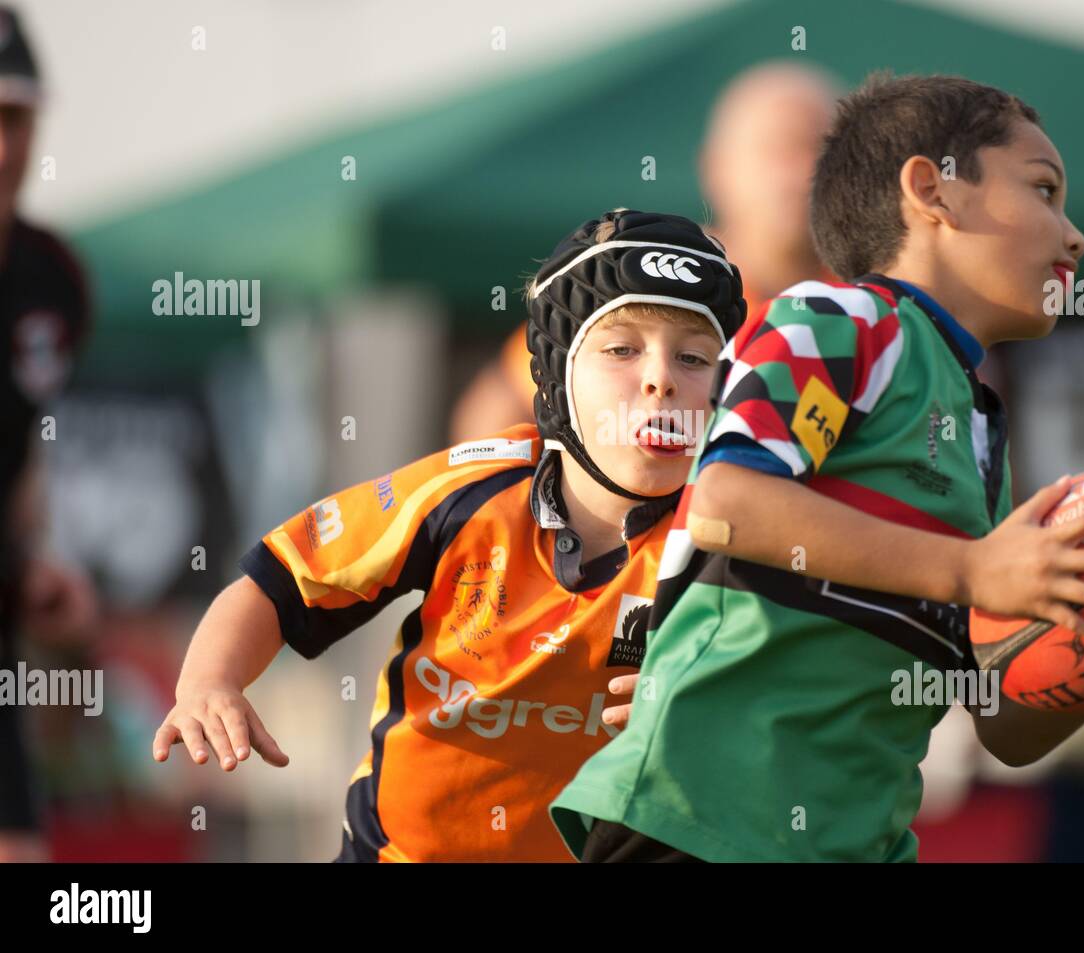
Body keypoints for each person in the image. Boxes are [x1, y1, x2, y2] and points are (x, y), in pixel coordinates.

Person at [550, 72, 1084, 862]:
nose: (1074, 235)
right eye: (1044, 190)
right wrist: (972, 567)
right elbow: (727, 499)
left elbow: (1002, 724)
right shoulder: (839, 320)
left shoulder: (982, 434)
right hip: (700, 818)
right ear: (934, 191)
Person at [151, 209, 747, 861]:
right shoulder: (470, 488)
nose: (661, 378)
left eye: (694, 357)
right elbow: (278, 578)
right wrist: (210, 681)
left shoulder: (734, 537)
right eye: (621, 348)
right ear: (555, 371)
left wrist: (709, 719)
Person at [448, 61, 841, 443]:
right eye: (779, 148)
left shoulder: (872, 303)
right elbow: (499, 405)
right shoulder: (647, 272)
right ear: (717, 168)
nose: (801, 172)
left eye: (822, 150)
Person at [0, 6, 96, 863]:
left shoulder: (51, 281)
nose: (1, 147)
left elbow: (23, 454)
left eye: (14, 118)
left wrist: (38, 565)